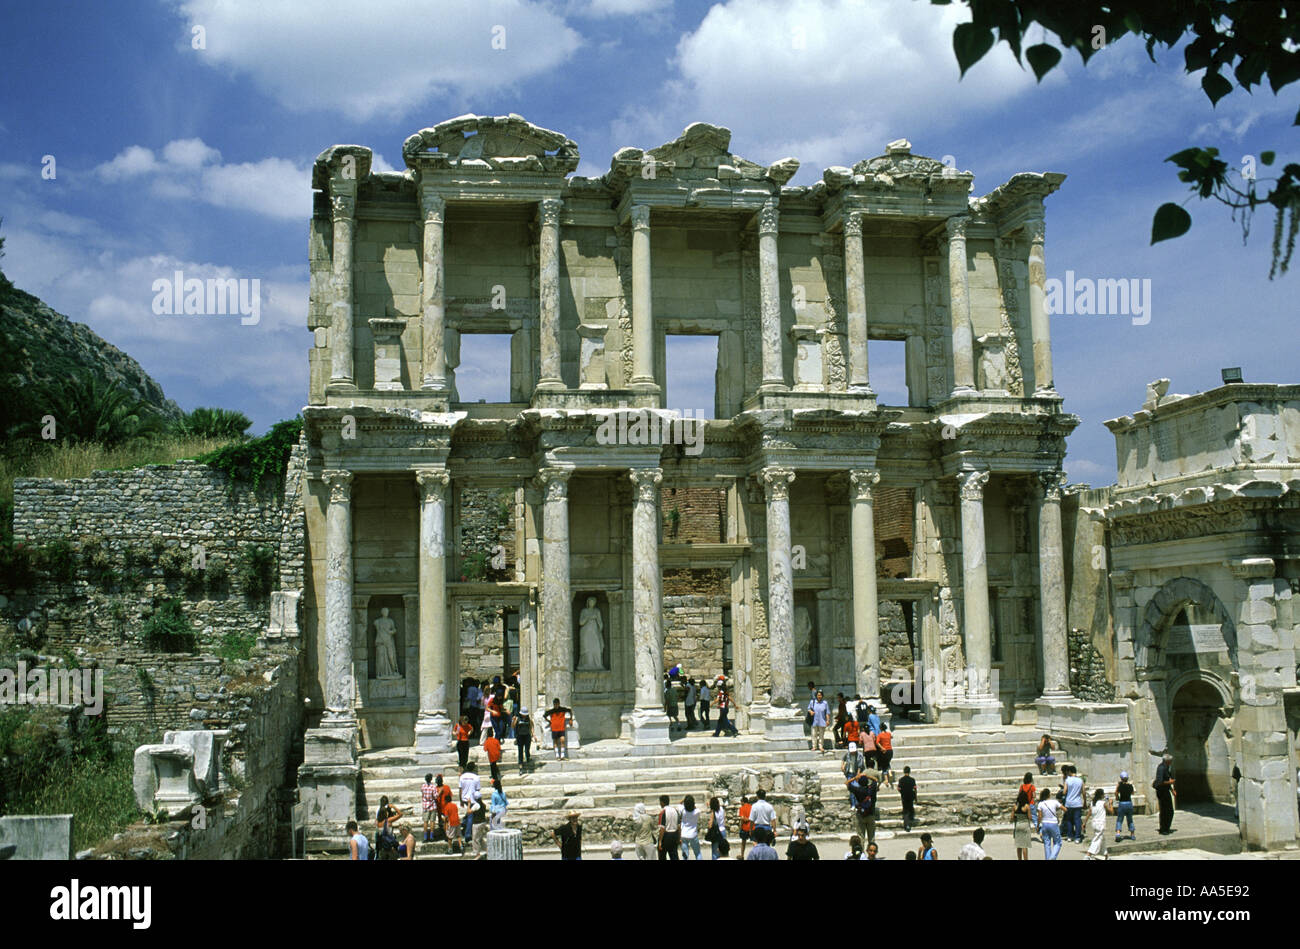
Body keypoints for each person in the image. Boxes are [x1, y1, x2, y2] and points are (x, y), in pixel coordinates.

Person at [847, 768, 880, 845]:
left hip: (860, 815)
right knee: (871, 837)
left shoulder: (857, 790)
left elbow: (847, 783)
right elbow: (875, 780)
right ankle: (872, 852)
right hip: (871, 814)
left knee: (861, 837)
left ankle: (861, 854)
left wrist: (855, 777)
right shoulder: (872, 788)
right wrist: (866, 775)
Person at [1154, 753, 1176, 835]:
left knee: (1169, 810)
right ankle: (1163, 829)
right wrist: (1170, 782)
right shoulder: (1161, 768)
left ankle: (1166, 827)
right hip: (1161, 792)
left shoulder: (1166, 767)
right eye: (1170, 761)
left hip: (1166, 790)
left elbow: (1166, 780)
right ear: (1167, 761)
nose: (1171, 762)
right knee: (1165, 810)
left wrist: (1172, 790)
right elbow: (1160, 782)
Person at [1038, 787, 1063, 860]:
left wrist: (1037, 826)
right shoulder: (1054, 802)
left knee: (1047, 843)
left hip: (1045, 823)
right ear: (1049, 794)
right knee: (1058, 842)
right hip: (1053, 823)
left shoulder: (1041, 803)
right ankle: (1052, 857)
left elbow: (1039, 816)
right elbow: (1064, 808)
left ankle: (1047, 858)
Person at [1063, 765, 1086, 844]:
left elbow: (1064, 791)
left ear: (1069, 772)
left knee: (1069, 820)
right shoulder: (1080, 780)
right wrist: (1085, 802)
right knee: (1077, 820)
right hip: (1077, 803)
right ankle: (1077, 837)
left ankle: (1069, 836)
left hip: (1069, 803)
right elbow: (1083, 792)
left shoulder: (1067, 780)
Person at [1087, 788, 1111, 860]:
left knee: (1102, 839)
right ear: (1101, 795)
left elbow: (1089, 813)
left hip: (1094, 823)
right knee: (1097, 839)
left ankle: (1105, 854)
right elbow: (1111, 811)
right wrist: (1110, 803)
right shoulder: (1103, 803)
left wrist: (1084, 823)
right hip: (1100, 824)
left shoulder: (1092, 803)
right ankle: (1089, 853)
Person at [375, 795, 402, 860]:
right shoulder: (388, 821)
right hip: (390, 845)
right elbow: (400, 814)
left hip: (382, 845)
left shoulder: (377, 822)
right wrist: (393, 806)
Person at [657, 794, 681, 861]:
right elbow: (679, 826)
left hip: (666, 836)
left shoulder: (663, 812)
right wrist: (679, 837)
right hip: (674, 835)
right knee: (674, 855)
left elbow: (662, 828)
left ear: (662, 802)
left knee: (662, 856)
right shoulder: (675, 811)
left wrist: (660, 841)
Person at [1115, 771, 1136, 841]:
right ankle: (1132, 834)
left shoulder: (1120, 786)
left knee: (1120, 819)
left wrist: (1117, 796)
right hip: (1129, 803)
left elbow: (1116, 793)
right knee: (1130, 819)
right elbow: (1132, 793)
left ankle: (1118, 833)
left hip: (1122, 803)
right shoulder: (1130, 786)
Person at [808, 689, 831, 753]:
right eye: (818, 695)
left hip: (822, 721)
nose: (819, 696)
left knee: (821, 735)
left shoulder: (825, 703)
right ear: (816, 696)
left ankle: (821, 746)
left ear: (822, 696)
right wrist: (811, 712)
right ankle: (814, 746)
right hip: (814, 721)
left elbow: (827, 712)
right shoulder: (812, 702)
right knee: (813, 734)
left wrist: (828, 720)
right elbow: (808, 709)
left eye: (820, 695)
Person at [1012, 789, 1033, 860]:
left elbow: (1012, 818)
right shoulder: (1027, 806)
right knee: (1024, 845)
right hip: (1025, 825)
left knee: (1018, 845)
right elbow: (1030, 817)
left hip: (1018, 825)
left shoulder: (1015, 806)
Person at [679, 795, 702, 859]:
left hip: (684, 835)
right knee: (698, 853)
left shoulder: (683, 810)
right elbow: (695, 807)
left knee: (685, 856)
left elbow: (679, 804)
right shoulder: (697, 812)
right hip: (693, 835)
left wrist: (684, 799)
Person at [898, 765, 917, 832]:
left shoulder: (901, 780)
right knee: (910, 807)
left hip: (904, 796)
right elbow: (915, 789)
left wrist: (902, 792)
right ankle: (911, 819)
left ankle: (907, 825)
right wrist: (915, 797)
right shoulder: (912, 780)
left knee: (905, 810)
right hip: (911, 796)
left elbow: (899, 788)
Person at [1019, 772, 1039, 838]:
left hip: (1024, 805)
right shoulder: (1032, 786)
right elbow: (1034, 796)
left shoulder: (1022, 786)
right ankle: (1040, 832)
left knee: (1025, 820)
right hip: (1031, 804)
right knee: (1035, 819)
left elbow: (1020, 795)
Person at [421, 773, 437, 842]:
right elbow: (436, 796)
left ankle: (425, 836)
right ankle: (431, 836)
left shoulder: (423, 786)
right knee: (432, 821)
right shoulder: (433, 787)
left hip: (425, 805)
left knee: (425, 821)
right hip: (432, 805)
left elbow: (422, 793)